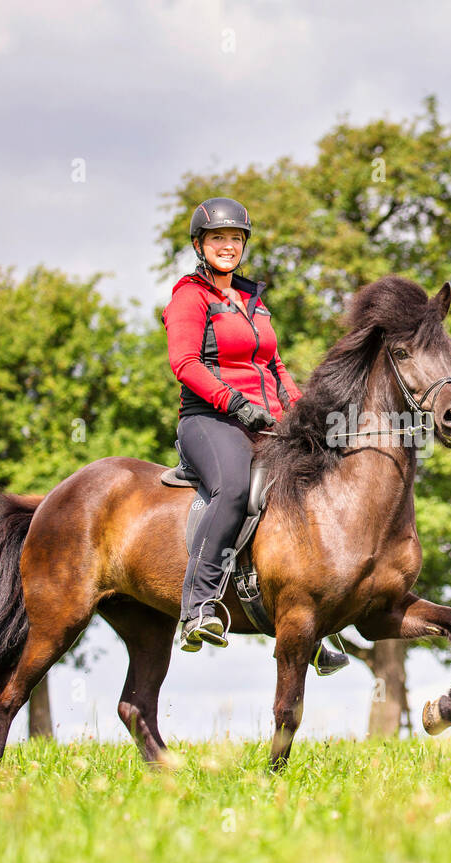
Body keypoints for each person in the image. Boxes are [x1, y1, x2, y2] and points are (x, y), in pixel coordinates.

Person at [161, 197, 348, 675]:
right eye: (218, 238)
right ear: (200, 245)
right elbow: (184, 364)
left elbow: (274, 366)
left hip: (266, 419)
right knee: (236, 487)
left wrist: (307, 413)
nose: (228, 246)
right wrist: (236, 404)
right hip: (210, 419)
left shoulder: (252, 300)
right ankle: (198, 606)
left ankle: (317, 623)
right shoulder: (189, 295)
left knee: (315, 484)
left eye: (236, 239)